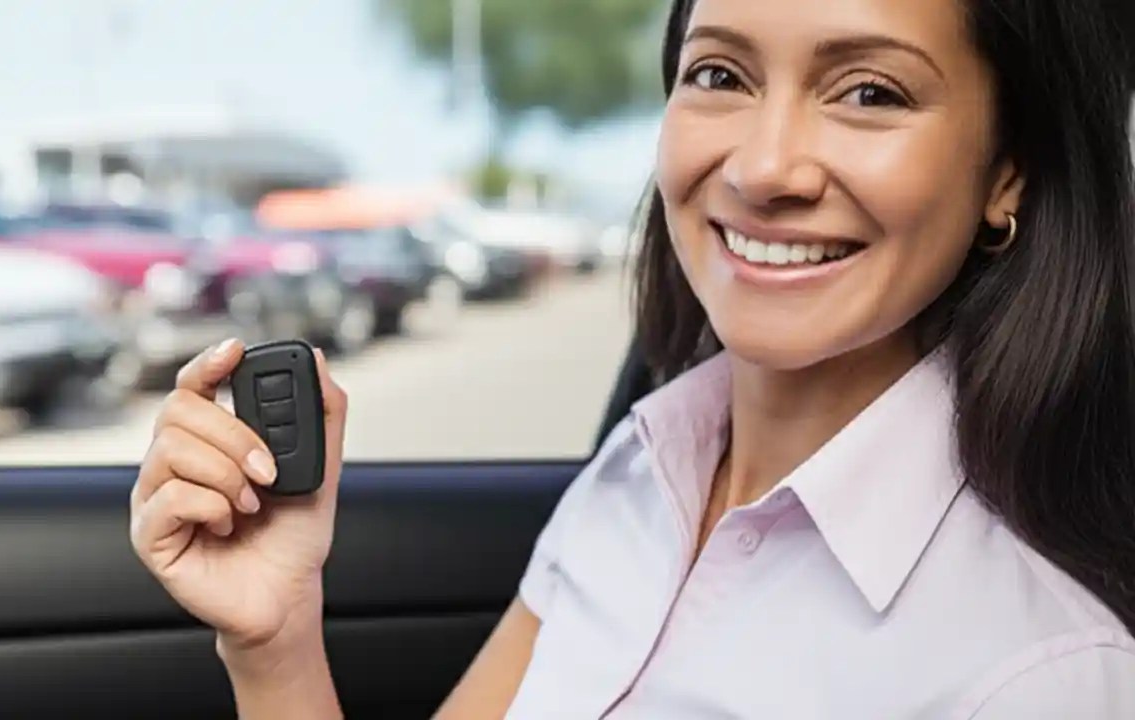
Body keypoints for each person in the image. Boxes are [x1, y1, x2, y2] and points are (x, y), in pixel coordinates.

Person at [129, 0, 1135, 715]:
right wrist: (273, 645)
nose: (759, 167)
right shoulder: (635, 471)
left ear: (1008, 173)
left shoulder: (1040, 674)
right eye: (717, 74)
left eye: (867, 92)